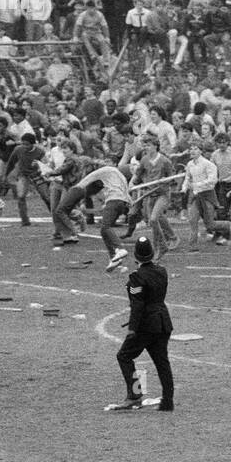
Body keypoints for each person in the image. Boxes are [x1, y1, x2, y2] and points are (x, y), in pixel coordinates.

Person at [114, 236, 175, 411]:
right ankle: (168, 401)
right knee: (162, 362)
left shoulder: (136, 278)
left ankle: (135, 395)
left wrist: (132, 329)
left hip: (146, 325)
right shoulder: (162, 271)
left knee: (124, 356)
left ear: (136, 257)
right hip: (163, 322)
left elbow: (137, 304)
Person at [76, 162, 132, 271]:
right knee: (103, 230)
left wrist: (77, 188)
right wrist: (129, 200)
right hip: (121, 203)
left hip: (113, 200)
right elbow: (126, 190)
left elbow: (90, 177)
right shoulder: (120, 175)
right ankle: (114, 259)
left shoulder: (105, 170)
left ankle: (120, 248)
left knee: (106, 227)